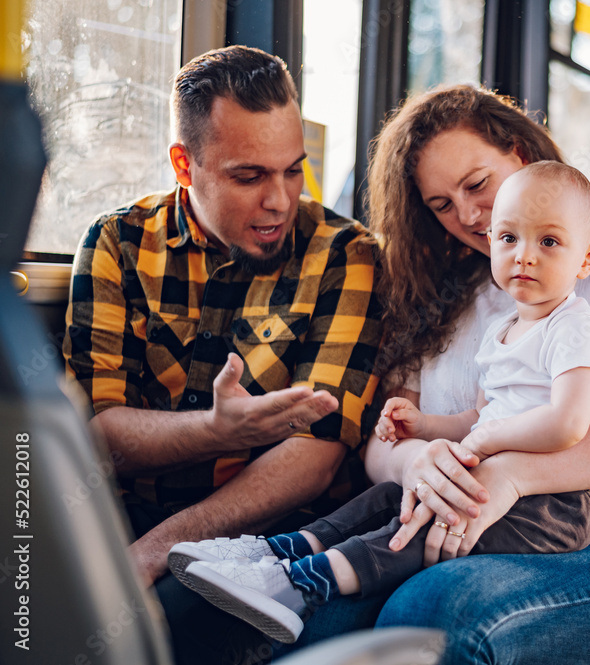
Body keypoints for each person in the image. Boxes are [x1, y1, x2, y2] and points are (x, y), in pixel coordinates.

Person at [161, 84, 590, 665]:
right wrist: (418, 462)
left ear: (521, 153)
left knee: (431, 614)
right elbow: (385, 452)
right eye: (440, 205)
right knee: (285, 624)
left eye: (477, 185)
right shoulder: (441, 300)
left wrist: (513, 477)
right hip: (456, 528)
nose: (468, 216)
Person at [166, 161, 590, 645]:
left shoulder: (575, 330)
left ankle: (304, 585)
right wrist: (423, 425)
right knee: (392, 495)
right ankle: (280, 553)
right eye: (509, 238)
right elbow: (478, 418)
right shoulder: (503, 331)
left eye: (548, 242)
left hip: (553, 505)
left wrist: (488, 439)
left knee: (429, 522)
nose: (525, 256)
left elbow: (569, 425)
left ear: (587, 259)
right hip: (491, 480)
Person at [62, 45, 381, 589]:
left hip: (267, 543)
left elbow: (318, 456)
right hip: (125, 519)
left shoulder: (343, 253)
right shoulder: (119, 241)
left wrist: (152, 556)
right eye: (250, 176)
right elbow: (99, 435)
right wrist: (215, 431)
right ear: (185, 165)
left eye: (292, 171)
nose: (280, 200)